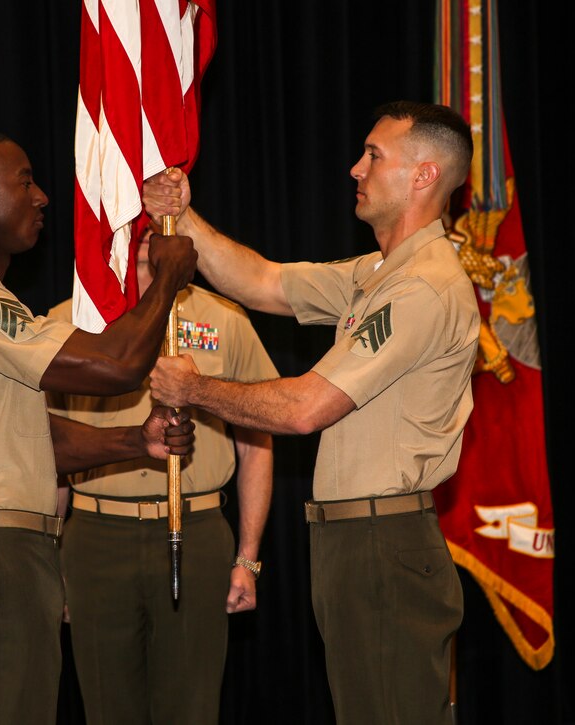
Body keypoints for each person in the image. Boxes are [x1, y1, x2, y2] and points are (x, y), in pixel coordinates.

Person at [143, 101, 480, 724]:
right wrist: (181, 215)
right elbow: (263, 281)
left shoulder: (422, 287)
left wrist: (196, 388)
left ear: (424, 175)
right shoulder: (378, 273)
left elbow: (303, 409)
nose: (355, 169)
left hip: (384, 543)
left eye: (374, 156)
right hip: (357, 538)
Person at [0, 128, 199, 724]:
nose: (42, 197)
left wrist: (130, 442)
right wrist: (166, 279)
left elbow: (34, 437)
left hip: (2, 551)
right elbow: (115, 367)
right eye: (26, 181)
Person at [46, 226, 278, 724]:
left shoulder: (224, 320)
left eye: (157, 213)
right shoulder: (69, 320)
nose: (147, 226)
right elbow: (52, 447)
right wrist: (53, 557)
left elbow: (257, 443)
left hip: (195, 534)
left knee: (191, 708)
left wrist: (248, 558)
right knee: (107, 708)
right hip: (94, 538)